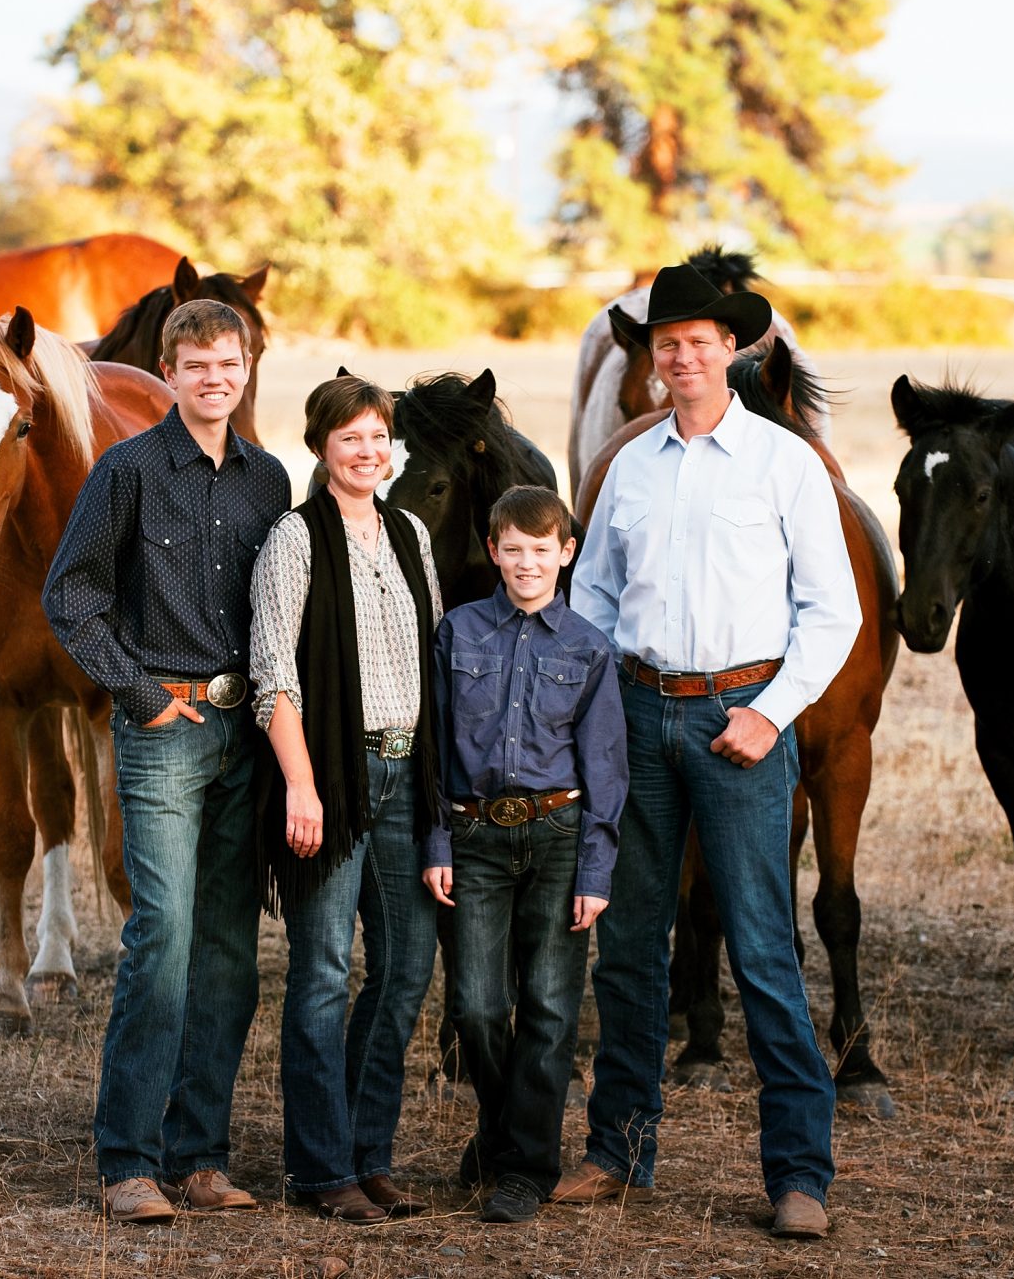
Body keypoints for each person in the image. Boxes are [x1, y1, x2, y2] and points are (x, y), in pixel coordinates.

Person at [561, 264, 862, 1240]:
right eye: (663, 344)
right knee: (629, 945)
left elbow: (833, 610)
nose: (680, 358)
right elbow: (591, 599)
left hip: (741, 721)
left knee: (763, 949)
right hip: (639, 719)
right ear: (646, 360)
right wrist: (601, 704)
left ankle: (796, 1173)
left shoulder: (783, 465)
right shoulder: (629, 468)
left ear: (731, 348)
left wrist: (772, 713)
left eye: (696, 341)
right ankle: (618, 1148)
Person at [41, 299, 291, 1224]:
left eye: (229, 364)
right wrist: (141, 696)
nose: (214, 379)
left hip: (247, 736)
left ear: (248, 367)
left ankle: (200, 1156)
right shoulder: (129, 472)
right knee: (163, 940)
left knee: (231, 952)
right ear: (170, 372)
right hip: (165, 732)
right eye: (196, 366)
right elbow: (69, 595)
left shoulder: (269, 481)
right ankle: (128, 1162)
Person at [249, 373, 446, 1224]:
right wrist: (301, 782)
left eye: (378, 438)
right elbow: (273, 674)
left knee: (404, 971)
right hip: (333, 773)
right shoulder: (294, 538)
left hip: (411, 775)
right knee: (324, 971)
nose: (368, 453)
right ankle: (320, 1168)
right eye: (350, 439)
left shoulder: (409, 533)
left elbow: (432, 656)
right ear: (321, 448)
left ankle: (370, 1155)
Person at [420, 485, 627, 1223]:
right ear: (493, 551)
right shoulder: (458, 634)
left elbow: (605, 767)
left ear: (567, 554)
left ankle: (525, 1168)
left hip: (557, 838)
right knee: (476, 1006)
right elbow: (436, 748)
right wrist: (439, 838)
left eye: (543, 551)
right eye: (514, 549)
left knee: (547, 1005)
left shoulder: (590, 648)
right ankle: (504, 1129)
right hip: (474, 838)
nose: (528, 563)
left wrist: (596, 871)